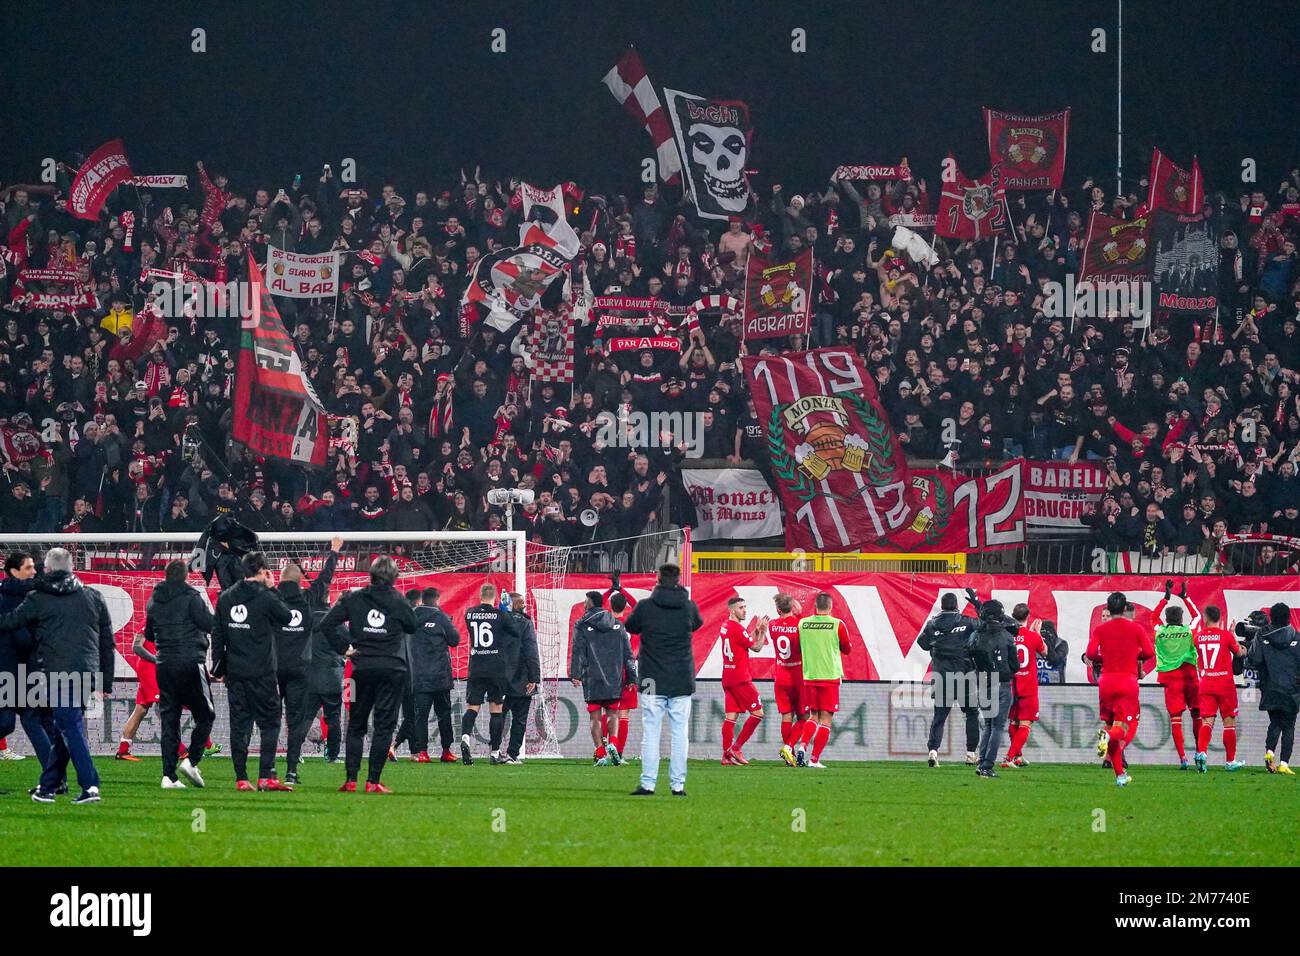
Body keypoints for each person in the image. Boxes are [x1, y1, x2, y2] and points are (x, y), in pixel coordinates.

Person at [0, 547, 114, 805]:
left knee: (69, 727)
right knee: (65, 727)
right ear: (72, 567)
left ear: (48, 569)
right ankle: (48, 786)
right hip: (85, 673)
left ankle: (90, 785)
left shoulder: (38, 598)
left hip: (56, 673)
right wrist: (105, 680)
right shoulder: (93, 596)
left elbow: (9, 623)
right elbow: (107, 642)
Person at [321, 555, 417, 792]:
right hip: (393, 671)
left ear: (370, 576)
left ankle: (351, 780)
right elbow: (413, 626)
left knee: (356, 724)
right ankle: (373, 781)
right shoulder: (399, 600)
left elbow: (326, 624)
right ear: (394, 578)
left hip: (361, 669)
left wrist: (344, 648)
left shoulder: (354, 598)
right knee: (384, 726)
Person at [212, 551, 294, 791]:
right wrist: (273, 588)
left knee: (240, 725)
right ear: (263, 571)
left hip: (235, 674)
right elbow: (288, 618)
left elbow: (217, 634)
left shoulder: (226, 597)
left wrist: (219, 667)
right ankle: (265, 776)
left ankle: (241, 778)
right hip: (262, 673)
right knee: (270, 723)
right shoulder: (266, 597)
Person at [626, 564, 702, 796]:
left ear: (657, 578)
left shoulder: (646, 607)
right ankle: (677, 785)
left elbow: (631, 626)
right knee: (680, 733)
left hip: (652, 677)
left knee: (651, 731)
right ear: (678, 579)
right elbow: (697, 624)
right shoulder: (688, 607)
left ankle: (648, 783)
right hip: (680, 676)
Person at [273, 537, 341, 785]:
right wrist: (333, 553)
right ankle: (291, 771)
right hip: (300, 668)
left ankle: (267, 771)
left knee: (271, 718)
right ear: (300, 581)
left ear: (278, 580)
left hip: (273, 667)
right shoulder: (308, 601)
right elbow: (324, 579)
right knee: (295, 718)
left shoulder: (271, 599)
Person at [144, 559, 215, 789]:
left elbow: (150, 635)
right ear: (185, 576)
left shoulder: (154, 599)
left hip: (164, 665)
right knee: (206, 714)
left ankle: (168, 775)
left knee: (170, 720)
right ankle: (192, 761)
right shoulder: (191, 598)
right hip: (190, 662)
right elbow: (208, 624)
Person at [1085, 591, 1155, 786]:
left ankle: (1120, 775)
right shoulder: (1136, 628)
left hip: (1106, 682)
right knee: (1121, 729)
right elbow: (1149, 652)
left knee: (1111, 725)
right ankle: (1105, 736)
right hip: (1127, 681)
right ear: (1125, 608)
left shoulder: (1101, 630)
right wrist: (1133, 655)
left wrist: (1105, 657)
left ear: (1109, 608)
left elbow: (1091, 653)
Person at [0, 552, 55, 786]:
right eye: (29, 567)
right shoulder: (20, 598)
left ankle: (54, 778)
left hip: (25, 670)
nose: (34, 571)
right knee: (10, 722)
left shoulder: (31, 595)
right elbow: (20, 636)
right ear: (14, 571)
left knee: (35, 719)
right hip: (8, 670)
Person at [570, 591, 636, 766]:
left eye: (586, 602)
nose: (584, 604)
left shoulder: (582, 624)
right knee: (613, 713)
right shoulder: (616, 624)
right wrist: (631, 677)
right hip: (614, 676)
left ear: (590, 603)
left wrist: (575, 674)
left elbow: (578, 650)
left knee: (595, 717)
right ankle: (613, 742)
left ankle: (600, 752)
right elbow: (628, 654)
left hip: (592, 677)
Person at [917, 591, 980, 769]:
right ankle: (970, 754)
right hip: (964, 675)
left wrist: (938, 641)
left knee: (940, 716)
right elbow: (982, 627)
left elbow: (922, 643)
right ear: (957, 606)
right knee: (971, 714)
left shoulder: (932, 624)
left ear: (942, 606)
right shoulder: (967, 622)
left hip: (942, 676)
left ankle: (933, 751)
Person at [461, 582, 521, 765]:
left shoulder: (470, 613)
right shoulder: (500, 614)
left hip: (477, 665)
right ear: (495, 597)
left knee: (473, 707)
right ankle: (495, 752)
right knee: (496, 709)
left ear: (480, 595)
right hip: (496, 667)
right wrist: (506, 611)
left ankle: (465, 737)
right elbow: (515, 632)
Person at [402, 587, 461, 762]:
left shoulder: (411, 616)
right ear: (437, 599)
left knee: (420, 715)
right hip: (440, 676)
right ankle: (446, 751)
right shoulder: (440, 617)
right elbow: (455, 640)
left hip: (418, 676)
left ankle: (422, 752)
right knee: (444, 714)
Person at [793, 592, 852, 769]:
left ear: (815, 606)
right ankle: (814, 759)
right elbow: (847, 649)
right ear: (831, 606)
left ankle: (802, 746)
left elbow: (798, 644)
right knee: (826, 719)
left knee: (813, 716)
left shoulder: (803, 623)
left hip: (810, 676)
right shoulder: (837, 625)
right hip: (830, 676)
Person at [964, 590, 1018, 778]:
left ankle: (981, 762)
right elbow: (1015, 665)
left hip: (983, 682)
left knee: (987, 724)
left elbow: (969, 656)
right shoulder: (1007, 636)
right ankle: (987, 765)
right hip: (1002, 684)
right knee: (997, 726)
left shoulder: (975, 635)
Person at [1149, 579, 1202, 770]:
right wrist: (1186, 597)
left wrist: (1165, 598)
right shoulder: (1189, 630)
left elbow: (1153, 617)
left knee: (1176, 719)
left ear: (1167, 618)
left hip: (1170, 680)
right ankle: (1199, 753)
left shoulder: (1159, 631)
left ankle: (1182, 758)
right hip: (1189, 677)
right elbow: (1197, 616)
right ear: (1181, 619)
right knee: (1197, 714)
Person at [1192, 604, 1247, 772]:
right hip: (1225, 685)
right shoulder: (1225, 636)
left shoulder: (1198, 637)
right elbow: (1239, 653)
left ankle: (1201, 753)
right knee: (1229, 723)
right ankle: (1230, 762)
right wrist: (1234, 637)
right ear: (1220, 618)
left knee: (1207, 722)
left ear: (1206, 618)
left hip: (1206, 683)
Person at [1246, 603, 1300, 775]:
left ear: (1272, 617)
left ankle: (1270, 752)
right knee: (1289, 725)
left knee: (1275, 721)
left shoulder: (1262, 635)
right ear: (1288, 618)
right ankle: (1284, 763)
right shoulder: (1297, 637)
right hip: (1292, 688)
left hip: (1270, 686)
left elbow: (1254, 659)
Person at [717, 596, 766, 766]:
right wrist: (763, 631)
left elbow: (744, 641)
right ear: (732, 610)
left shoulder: (726, 626)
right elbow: (756, 647)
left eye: (745, 607)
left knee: (731, 717)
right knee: (758, 713)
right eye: (741, 608)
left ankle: (726, 756)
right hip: (740, 678)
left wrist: (757, 631)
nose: (744, 610)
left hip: (728, 677)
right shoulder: (737, 628)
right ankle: (736, 749)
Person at [1002, 604, 1046, 768]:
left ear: (1013, 616)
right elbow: (1045, 652)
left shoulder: (1007, 635)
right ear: (1028, 617)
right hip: (1028, 686)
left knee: (1014, 722)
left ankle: (1018, 757)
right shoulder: (1032, 636)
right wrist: (1038, 633)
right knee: (1025, 723)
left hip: (1011, 685)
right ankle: (1008, 758)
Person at [768, 593, 807, 767]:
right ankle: (789, 747)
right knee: (803, 717)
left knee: (786, 715)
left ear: (777, 610)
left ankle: (788, 755)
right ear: (792, 608)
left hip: (780, 675)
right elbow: (805, 630)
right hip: (797, 675)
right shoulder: (800, 624)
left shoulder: (772, 625)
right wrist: (799, 614)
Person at [503, 592, 541, 764]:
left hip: (500, 678)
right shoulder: (525, 623)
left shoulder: (498, 622)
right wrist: (534, 678)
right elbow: (531, 651)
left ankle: (495, 751)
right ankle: (512, 754)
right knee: (519, 719)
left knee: (498, 715)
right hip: (522, 679)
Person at [605, 587, 639, 760]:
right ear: (625, 606)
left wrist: (612, 589)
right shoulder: (632, 624)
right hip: (628, 671)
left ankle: (603, 750)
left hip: (608, 671)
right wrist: (622, 590)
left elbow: (598, 605)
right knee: (624, 714)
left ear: (610, 605)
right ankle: (618, 753)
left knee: (609, 711)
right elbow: (638, 606)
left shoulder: (604, 622)